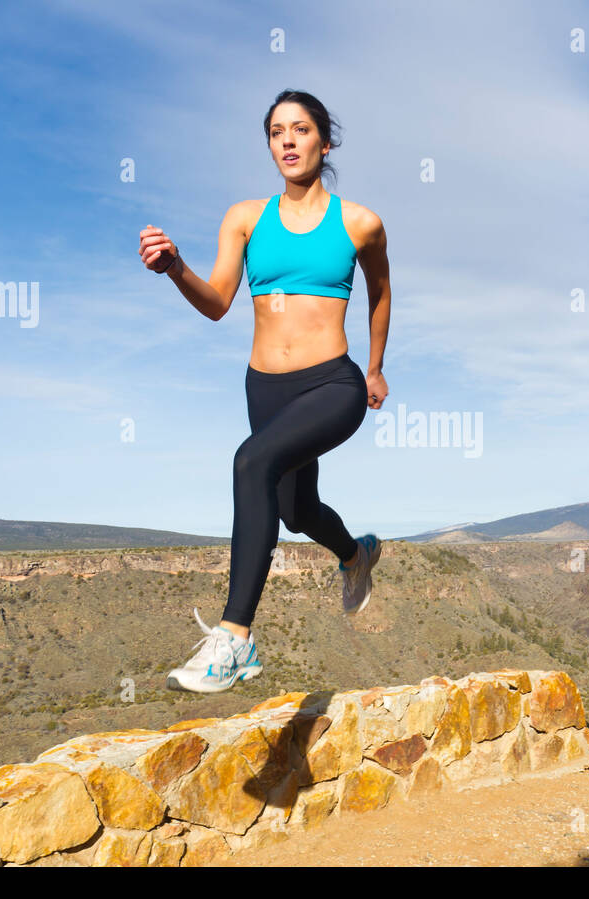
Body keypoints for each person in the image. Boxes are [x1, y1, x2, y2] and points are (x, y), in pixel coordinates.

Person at [137, 89, 390, 693]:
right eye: (277, 131)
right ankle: (356, 555)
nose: (287, 140)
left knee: (250, 461)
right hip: (265, 387)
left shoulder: (360, 223)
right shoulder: (245, 218)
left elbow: (381, 294)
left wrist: (375, 368)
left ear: (323, 143)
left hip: (333, 383)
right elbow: (218, 303)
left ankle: (236, 639)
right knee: (294, 511)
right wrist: (175, 268)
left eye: (300, 130)